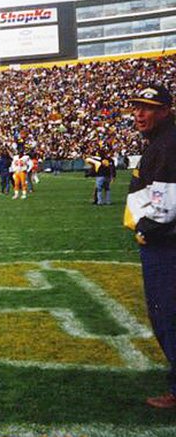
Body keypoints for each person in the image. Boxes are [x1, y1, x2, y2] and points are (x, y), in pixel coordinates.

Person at [124, 84, 176, 409]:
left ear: (166, 110)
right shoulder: (160, 142)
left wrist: (145, 228)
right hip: (163, 243)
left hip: (164, 246)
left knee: (168, 317)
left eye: (148, 108)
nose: (140, 114)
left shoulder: (167, 145)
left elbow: (166, 206)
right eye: (137, 107)